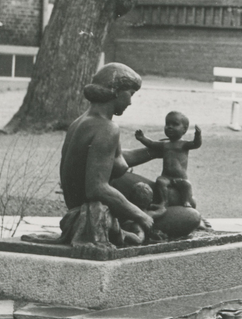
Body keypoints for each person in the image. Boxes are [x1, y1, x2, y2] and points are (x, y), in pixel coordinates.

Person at [25, 62, 199, 249]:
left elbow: (110, 159)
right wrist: (139, 214)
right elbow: (96, 188)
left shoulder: (81, 122)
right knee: (191, 216)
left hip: (82, 203)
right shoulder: (107, 128)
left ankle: (134, 221)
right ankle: (128, 226)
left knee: (175, 197)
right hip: (95, 210)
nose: (131, 102)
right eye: (130, 94)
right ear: (116, 91)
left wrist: (155, 151)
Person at [134, 110, 201, 208]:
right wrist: (142, 138)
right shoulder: (165, 144)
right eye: (167, 124)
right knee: (160, 181)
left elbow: (196, 144)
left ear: (184, 129)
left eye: (175, 124)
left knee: (187, 185)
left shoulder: (184, 144)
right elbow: (152, 144)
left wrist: (198, 135)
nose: (170, 127)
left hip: (180, 177)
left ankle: (186, 201)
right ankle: (164, 201)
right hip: (166, 176)